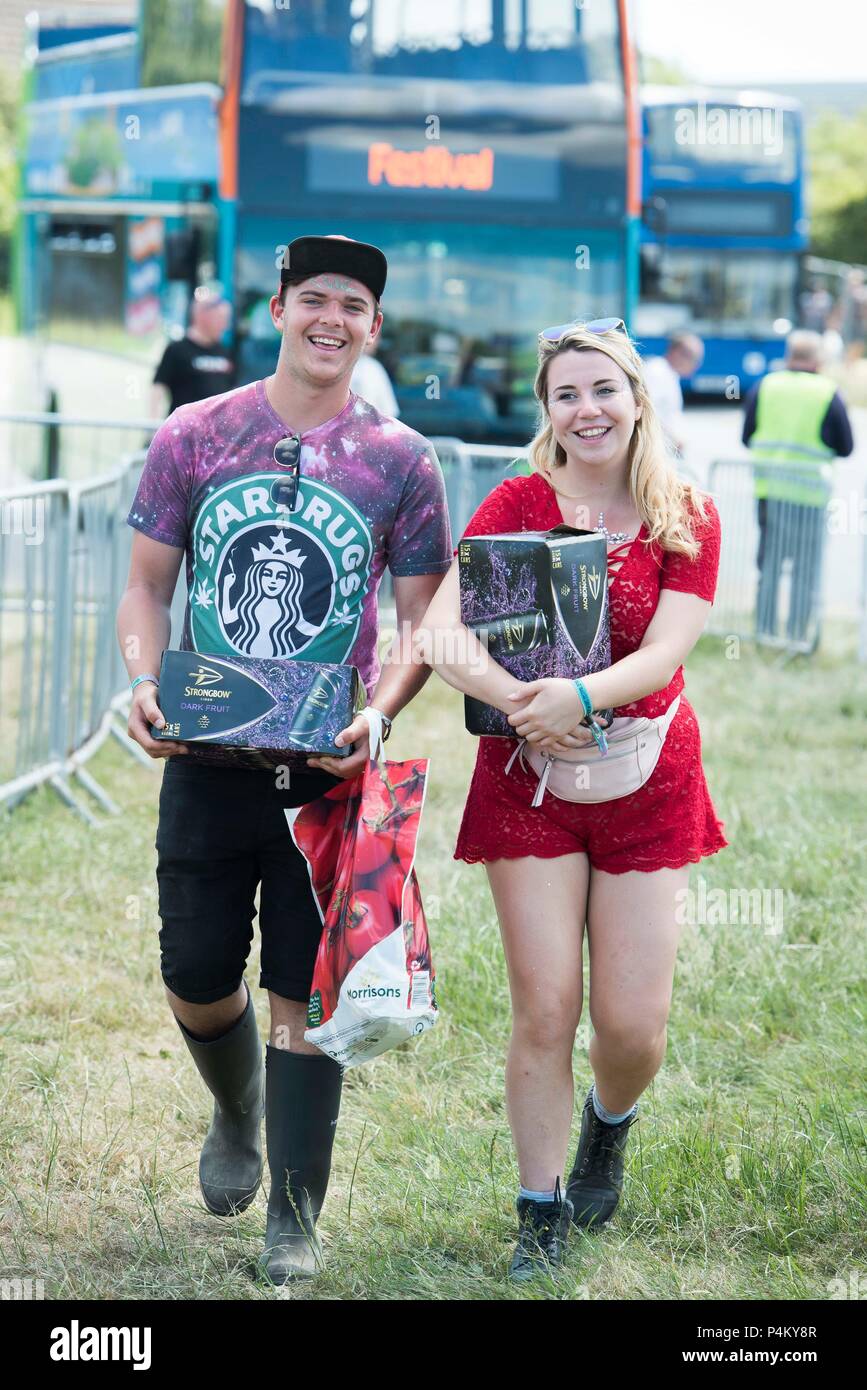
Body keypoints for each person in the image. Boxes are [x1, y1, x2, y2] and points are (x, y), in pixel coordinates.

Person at [117, 234, 453, 1285]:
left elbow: (420, 621)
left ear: (373, 328)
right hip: (208, 760)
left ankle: (295, 1219)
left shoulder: (402, 459)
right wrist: (141, 678)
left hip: (327, 773)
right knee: (195, 976)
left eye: (352, 306)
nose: (332, 319)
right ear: (278, 309)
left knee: (306, 999)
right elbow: (144, 589)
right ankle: (237, 1110)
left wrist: (383, 713)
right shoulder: (196, 433)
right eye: (315, 299)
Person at [415, 320, 727, 1281]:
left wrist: (577, 696)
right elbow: (437, 631)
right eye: (565, 395)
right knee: (544, 1008)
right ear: (546, 410)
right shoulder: (514, 500)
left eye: (602, 390)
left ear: (637, 398)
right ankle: (537, 1213)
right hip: (528, 785)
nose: (585, 410)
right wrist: (520, 704)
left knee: (631, 1028)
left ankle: (610, 1121)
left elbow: (665, 653)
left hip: (646, 776)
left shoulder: (686, 513)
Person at [742, 329, 853, 645]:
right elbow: (846, 447)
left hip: (769, 494)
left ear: (789, 355)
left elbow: (746, 436)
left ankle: (763, 634)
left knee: (770, 566)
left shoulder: (765, 386)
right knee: (805, 570)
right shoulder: (828, 391)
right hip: (809, 495)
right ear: (818, 360)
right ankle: (797, 639)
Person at [150, 286, 236, 418]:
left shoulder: (225, 351)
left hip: (217, 433)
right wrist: (153, 427)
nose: (224, 326)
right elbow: (158, 388)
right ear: (202, 316)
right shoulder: (177, 350)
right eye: (220, 319)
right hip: (185, 431)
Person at [641, 332, 704, 457]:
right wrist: (674, 439)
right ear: (676, 352)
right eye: (693, 358)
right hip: (653, 451)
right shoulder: (657, 372)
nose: (696, 366)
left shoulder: (669, 374)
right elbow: (647, 409)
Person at [350, 338, 400, 416]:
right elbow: (389, 412)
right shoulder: (372, 367)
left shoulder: (374, 367)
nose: (377, 343)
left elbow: (389, 411)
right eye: (375, 337)